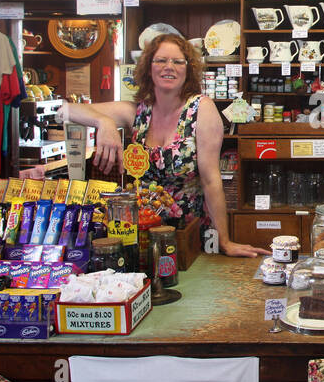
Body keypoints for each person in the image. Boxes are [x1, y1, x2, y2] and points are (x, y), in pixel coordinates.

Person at [59, 32, 267, 258]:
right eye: (161, 60)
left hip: (188, 238)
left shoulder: (200, 109)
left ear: (188, 70)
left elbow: (210, 180)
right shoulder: (136, 112)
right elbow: (65, 110)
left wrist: (225, 241)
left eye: (178, 61)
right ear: (149, 68)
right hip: (143, 236)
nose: (169, 67)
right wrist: (104, 122)